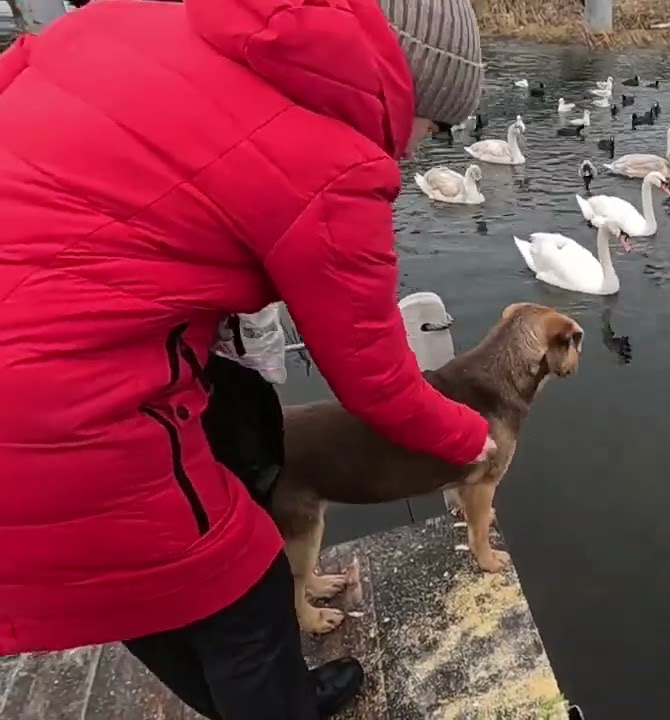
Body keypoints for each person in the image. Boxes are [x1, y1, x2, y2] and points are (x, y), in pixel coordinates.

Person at [0, 0, 489, 717]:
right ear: (408, 83)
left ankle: (262, 701)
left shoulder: (133, 17)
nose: (416, 151)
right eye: (436, 127)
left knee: (149, 586)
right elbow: (374, 379)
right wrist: (472, 437)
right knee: (242, 587)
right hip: (49, 402)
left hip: (41, 340)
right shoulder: (334, 159)